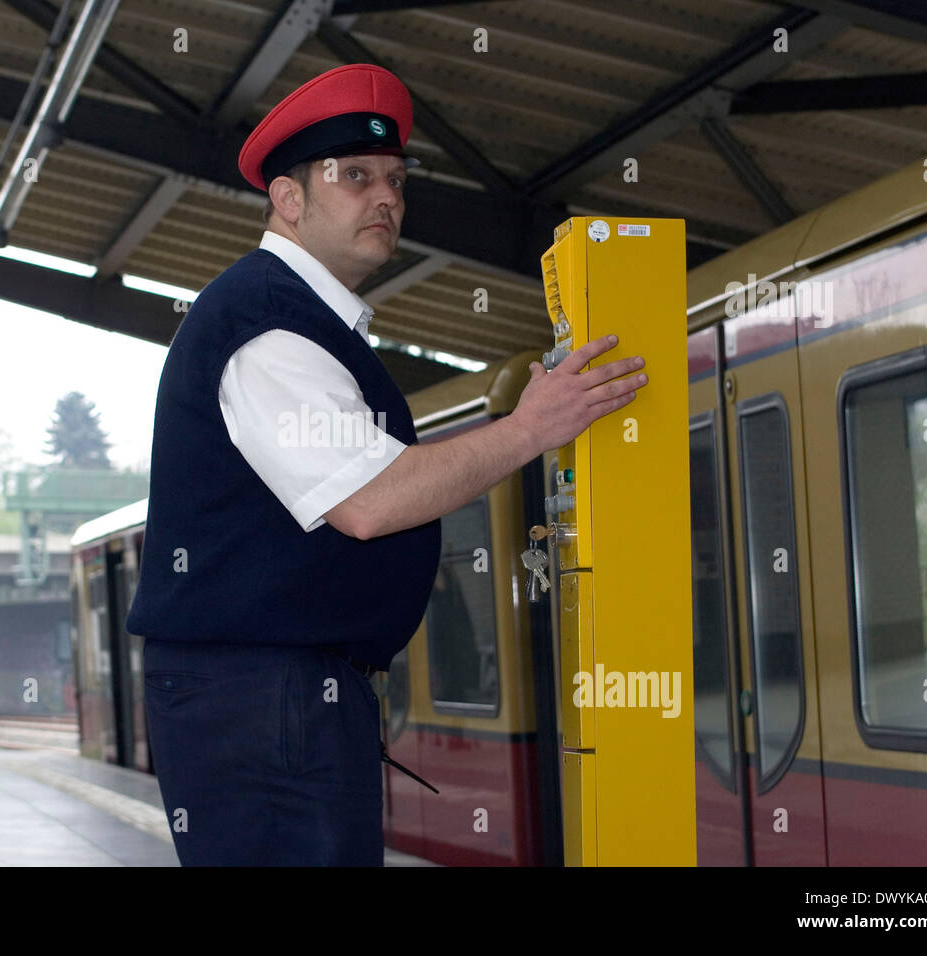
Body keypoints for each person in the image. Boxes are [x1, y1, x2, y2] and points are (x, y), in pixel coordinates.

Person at [124, 63, 649, 865]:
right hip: (264, 700)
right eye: (357, 176)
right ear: (288, 199)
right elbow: (367, 502)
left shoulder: (294, 318)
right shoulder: (267, 329)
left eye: (397, 180)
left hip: (277, 698)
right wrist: (529, 429)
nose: (388, 199)